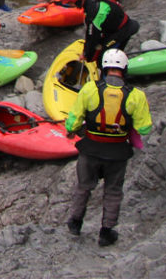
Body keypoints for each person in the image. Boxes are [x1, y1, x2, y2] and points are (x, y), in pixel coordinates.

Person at [64, 49, 152, 247]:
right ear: (124, 69)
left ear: (104, 68)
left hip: (91, 147)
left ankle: (75, 223)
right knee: (113, 191)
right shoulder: (136, 96)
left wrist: (72, 129)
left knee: (83, 186)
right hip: (117, 151)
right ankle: (106, 232)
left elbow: (73, 121)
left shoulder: (89, 89)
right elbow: (144, 128)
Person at [64, 0, 140, 70]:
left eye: (72, 3)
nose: (72, 5)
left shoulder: (93, 12)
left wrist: (86, 54)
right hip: (120, 25)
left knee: (103, 58)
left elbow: (93, 37)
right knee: (101, 49)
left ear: (78, 0)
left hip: (122, 31)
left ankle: (110, 78)